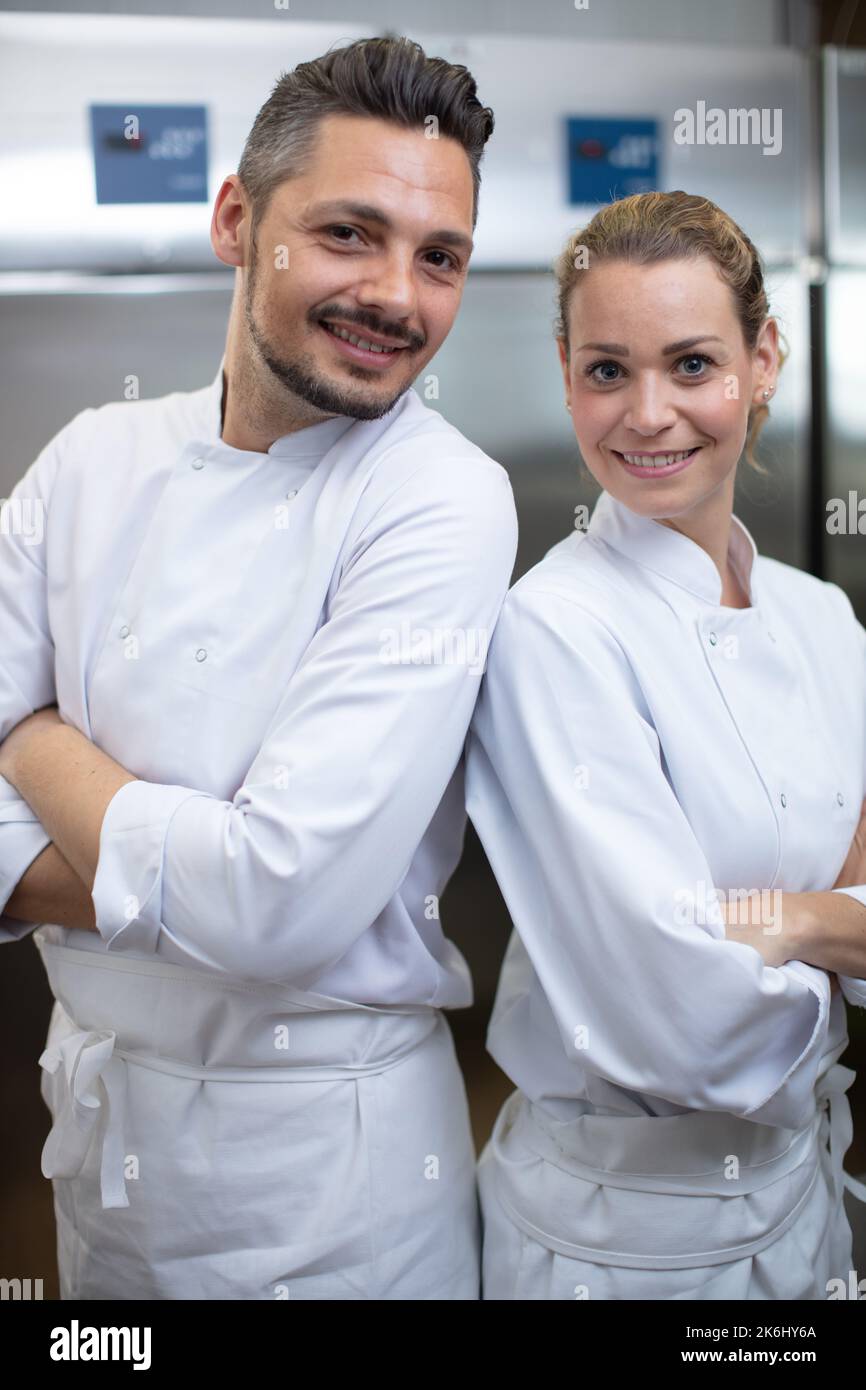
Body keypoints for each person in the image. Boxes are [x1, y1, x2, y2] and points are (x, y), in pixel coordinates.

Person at [0, 36, 517, 1300]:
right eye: (349, 234)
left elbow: (281, 903)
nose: (397, 294)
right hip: (107, 1163)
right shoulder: (90, 456)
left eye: (438, 256)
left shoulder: (441, 497)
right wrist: (204, 879)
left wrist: (24, 741)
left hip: (332, 1194)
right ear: (238, 220)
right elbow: (242, 894)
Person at [465, 189, 866, 1300]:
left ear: (762, 358)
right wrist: (836, 924)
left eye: (690, 364)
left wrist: (784, 925)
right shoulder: (550, 631)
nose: (646, 414)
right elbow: (677, 1019)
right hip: (620, 1245)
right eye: (606, 370)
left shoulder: (821, 621)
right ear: (564, 374)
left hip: (803, 1199)